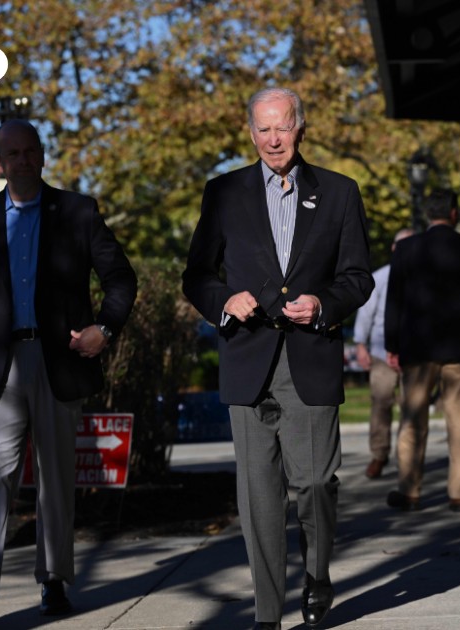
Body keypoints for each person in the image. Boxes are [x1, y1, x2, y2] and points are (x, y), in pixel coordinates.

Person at [181, 87, 373, 630]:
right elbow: (197, 275)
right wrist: (224, 301)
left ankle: (317, 574)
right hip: (247, 358)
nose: (273, 139)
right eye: (263, 129)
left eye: (282, 127)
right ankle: (268, 614)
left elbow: (358, 277)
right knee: (259, 497)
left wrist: (323, 304)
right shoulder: (223, 192)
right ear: (250, 133)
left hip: (310, 357)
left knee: (315, 483)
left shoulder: (339, 192)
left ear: (300, 128)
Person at [0, 119, 138, 625]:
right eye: (13, 153)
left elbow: (120, 278)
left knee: (56, 477)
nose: (23, 160)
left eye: (31, 151)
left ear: (43, 156)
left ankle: (53, 579)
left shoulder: (78, 211)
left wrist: (104, 329)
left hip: (59, 361)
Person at [384, 188, 460, 513]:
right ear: (454, 213)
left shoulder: (406, 248)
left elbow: (394, 301)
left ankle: (410, 491)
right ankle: (459, 494)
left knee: (412, 422)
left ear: (428, 214)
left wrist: (391, 345)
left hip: (417, 348)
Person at [354, 228, 414, 479]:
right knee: (381, 405)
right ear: (393, 249)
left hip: (414, 355)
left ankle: (407, 458)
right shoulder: (379, 278)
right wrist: (360, 344)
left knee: (412, 408)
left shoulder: (423, 278)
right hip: (381, 352)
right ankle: (379, 454)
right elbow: (365, 313)